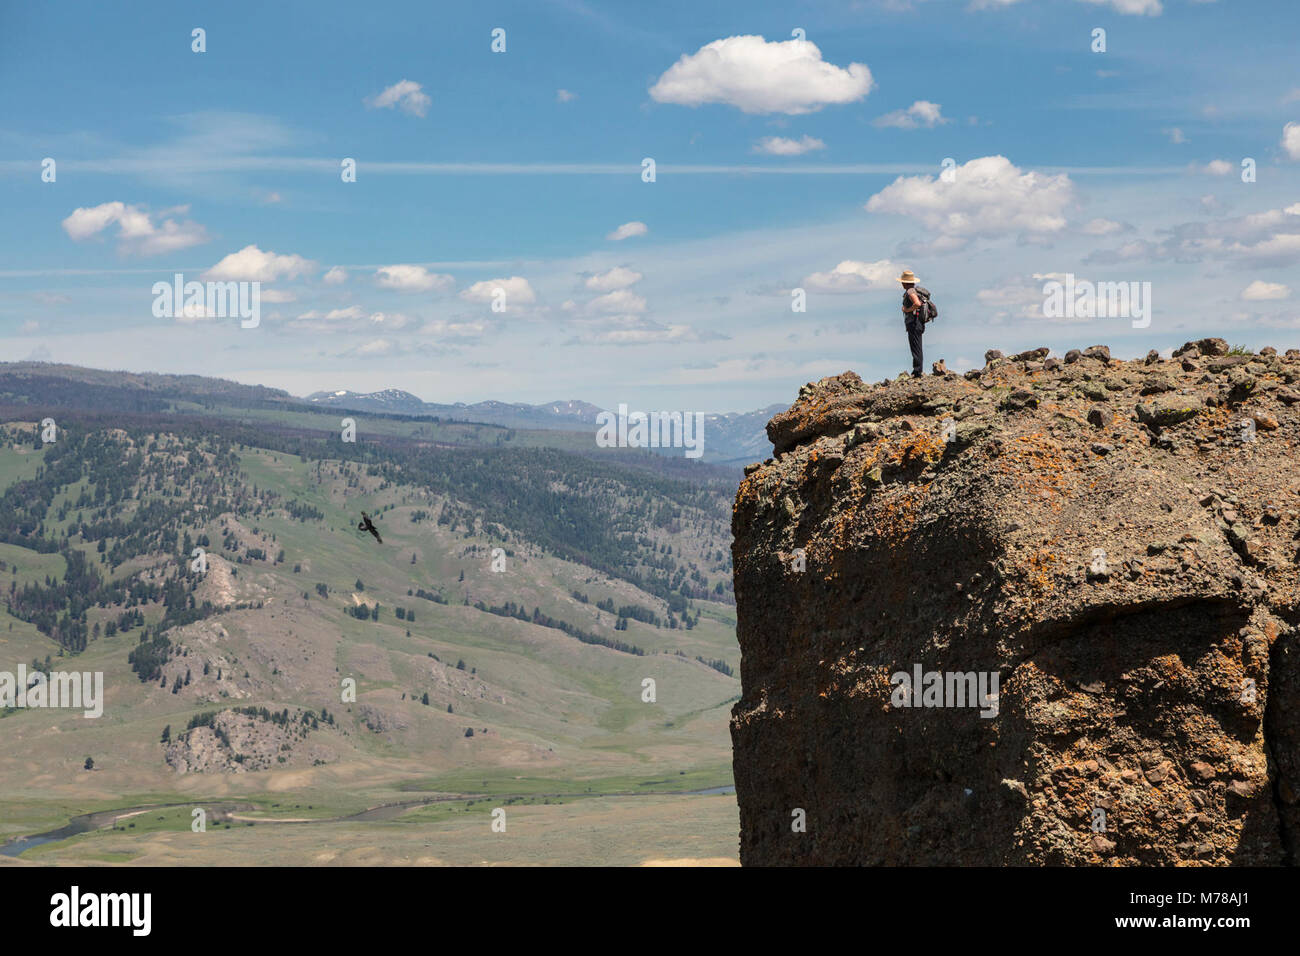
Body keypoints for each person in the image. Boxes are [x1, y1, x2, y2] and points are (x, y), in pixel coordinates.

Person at [899, 269, 926, 378]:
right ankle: (917, 370)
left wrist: (907, 310)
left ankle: (917, 371)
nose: (901, 284)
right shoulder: (912, 290)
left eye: (902, 282)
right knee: (916, 346)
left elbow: (917, 303)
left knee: (916, 347)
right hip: (917, 322)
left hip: (914, 323)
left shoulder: (910, 291)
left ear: (905, 282)